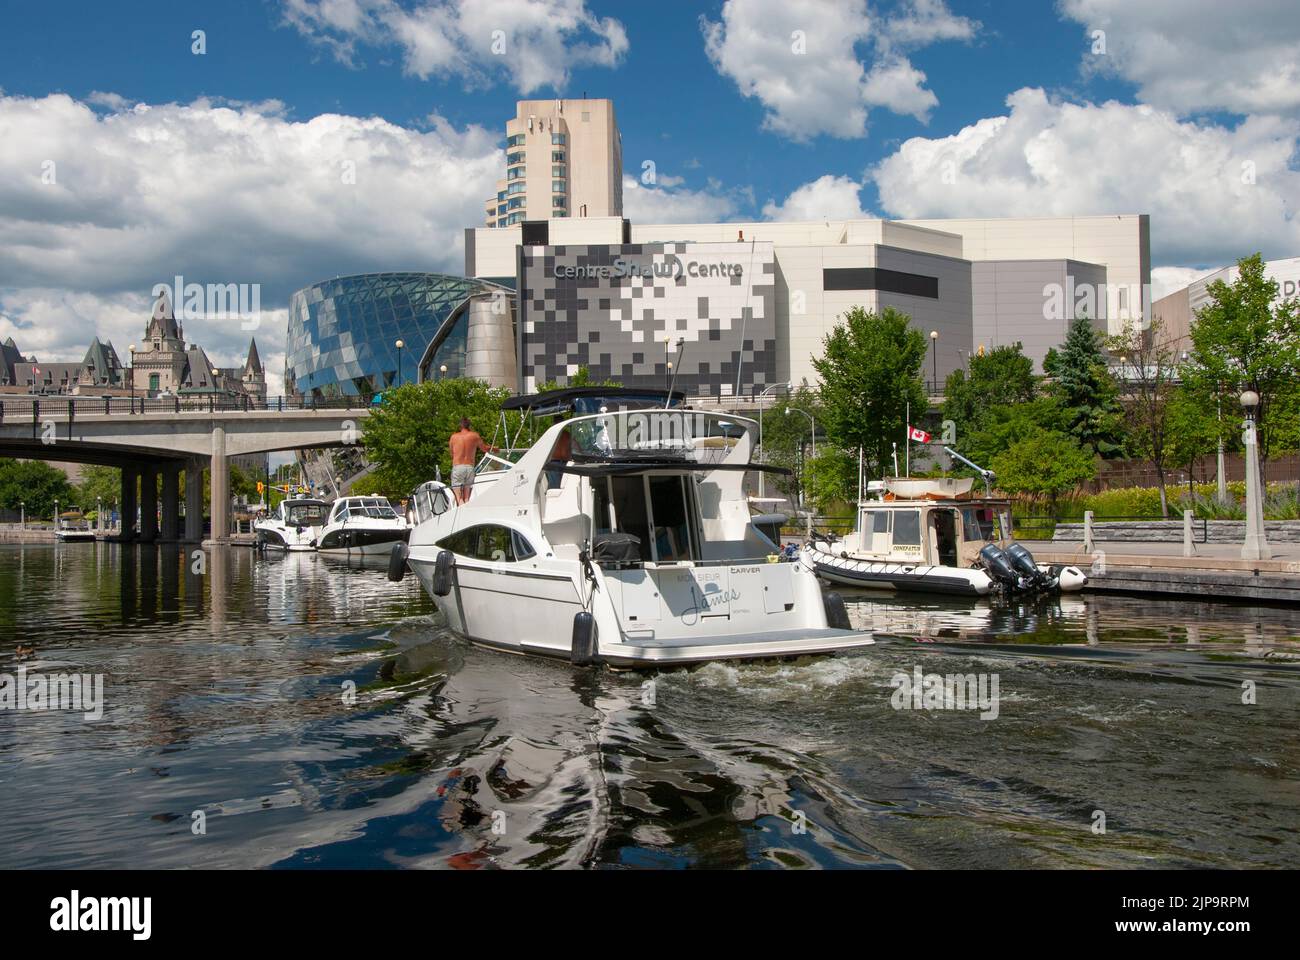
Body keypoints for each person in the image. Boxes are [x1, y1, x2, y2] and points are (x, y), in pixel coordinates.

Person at [448, 418, 497, 504]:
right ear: (469, 425)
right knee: (467, 498)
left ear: (460, 425)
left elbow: (451, 454)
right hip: (470, 467)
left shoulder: (453, 437)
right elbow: (485, 448)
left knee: (459, 498)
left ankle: (462, 514)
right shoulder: (474, 436)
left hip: (458, 467)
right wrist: (495, 448)